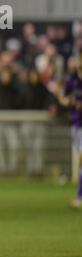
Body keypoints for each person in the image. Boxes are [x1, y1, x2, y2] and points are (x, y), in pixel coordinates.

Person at [60, 53, 82, 209]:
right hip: (76, 124)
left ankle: (80, 197)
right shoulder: (72, 79)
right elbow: (63, 97)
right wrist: (70, 101)